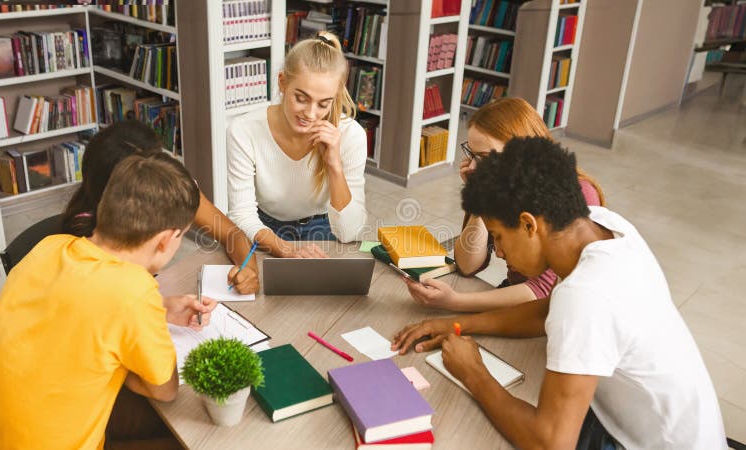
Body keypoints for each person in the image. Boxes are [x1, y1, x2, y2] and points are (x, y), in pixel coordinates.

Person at [392, 137, 727, 450]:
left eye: (498, 236)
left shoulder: (587, 295)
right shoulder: (603, 224)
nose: (500, 252)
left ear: (528, 225)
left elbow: (550, 442)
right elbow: (547, 310)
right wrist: (459, 326)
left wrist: (473, 373)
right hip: (673, 428)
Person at [0, 153, 216, 449]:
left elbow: (78, 308)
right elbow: (166, 390)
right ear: (165, 240)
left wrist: (161, 309)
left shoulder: (50, 247)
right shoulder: (133, 290)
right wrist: (127, 368)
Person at [405, 98, 605, 312]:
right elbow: (467, 265)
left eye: (483, 158)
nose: (472, 166)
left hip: (549, 312)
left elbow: (541, 292)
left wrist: (455, 301)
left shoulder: (579, 196)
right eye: (471, 155)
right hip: (515, 296)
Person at [63, 120, 258, 294]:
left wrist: (248, 270)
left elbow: (232, 234)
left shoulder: (170, 189)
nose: (162, 174)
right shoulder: (84, 248)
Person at [227, 31, 367, 258]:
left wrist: (334, 165)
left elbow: (349, 232)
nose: (311, 114)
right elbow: (242, 215)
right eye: (301, 98)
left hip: (323, 225)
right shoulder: (244, 130)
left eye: (324, 104)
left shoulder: (351, 136)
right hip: (264, 228)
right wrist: (286, 249)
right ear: (282, 82)